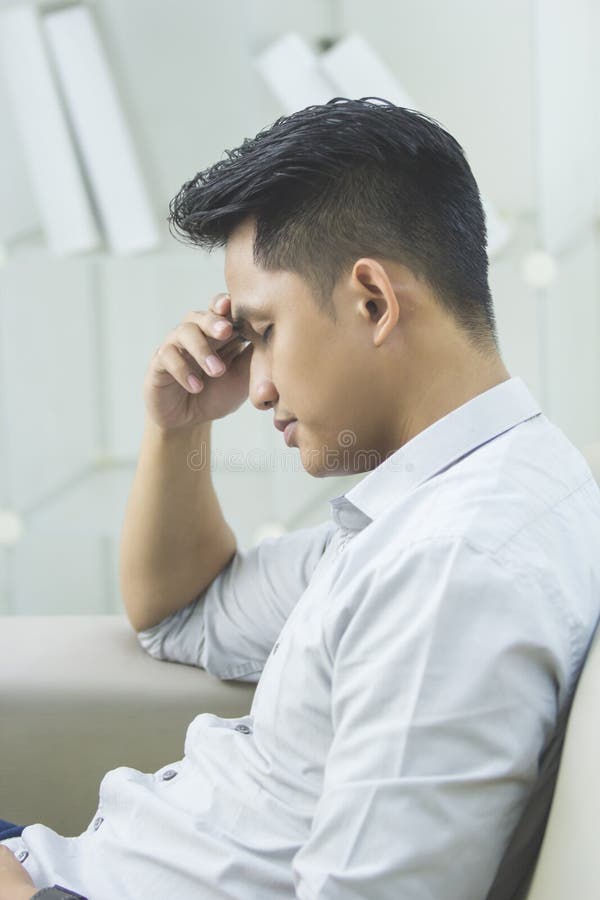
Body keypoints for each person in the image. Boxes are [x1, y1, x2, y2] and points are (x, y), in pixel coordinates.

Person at [2, 96, 600, 900]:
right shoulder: (450, 498)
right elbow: (183, 615)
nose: (256, 387)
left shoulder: (450, 568)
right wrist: (180, 428)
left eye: (265, 332)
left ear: (373, 302)